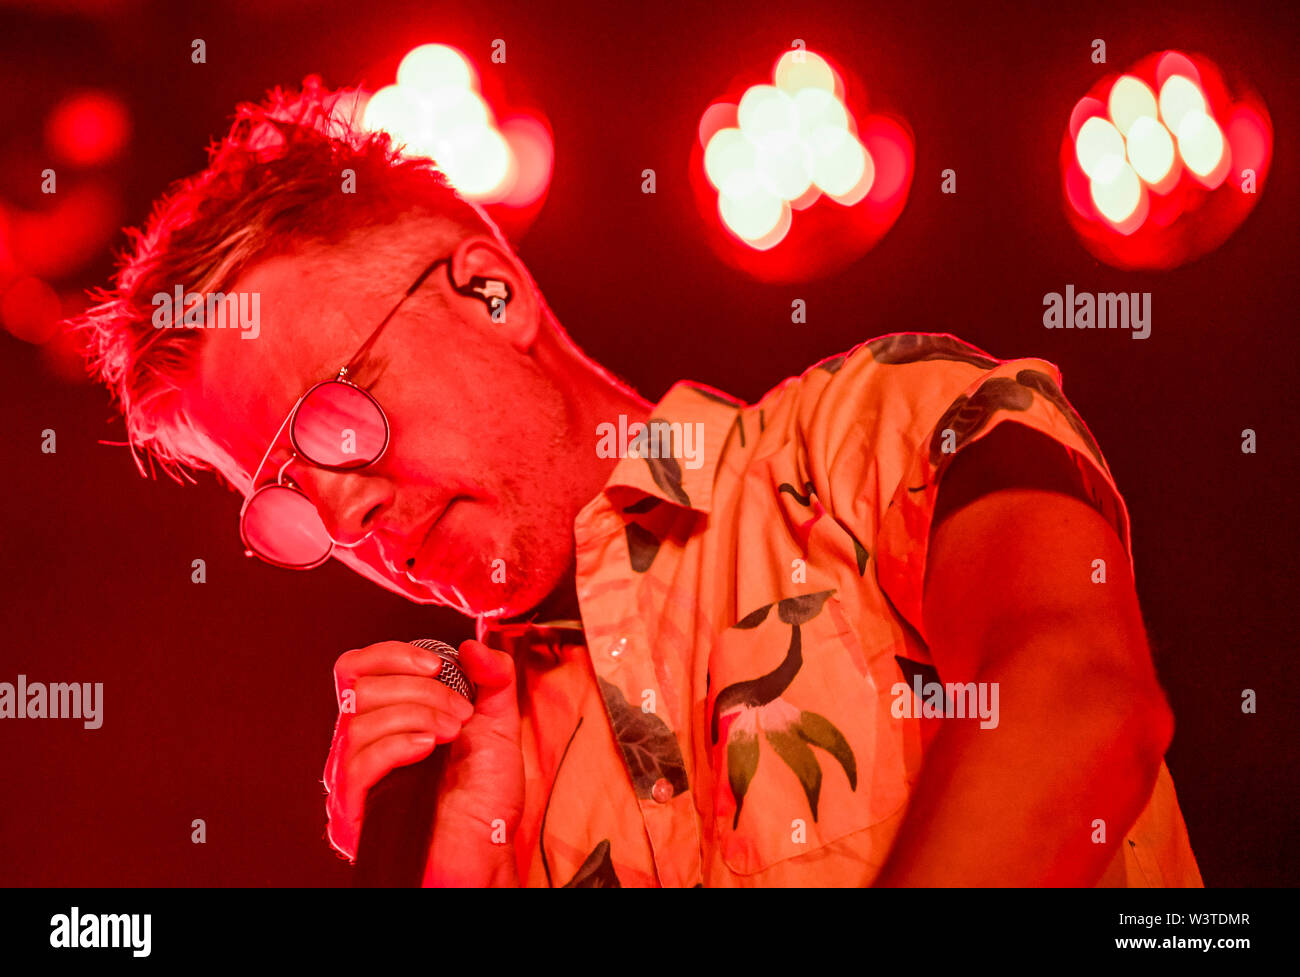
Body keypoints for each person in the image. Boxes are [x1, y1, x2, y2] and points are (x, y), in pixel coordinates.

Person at [71, 80, 1202, 887]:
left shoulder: (878, 422)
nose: (344, 513)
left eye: (333, 418)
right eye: (285, 500)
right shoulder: (479, 769)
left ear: (489, 296)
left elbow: (1076, 698)